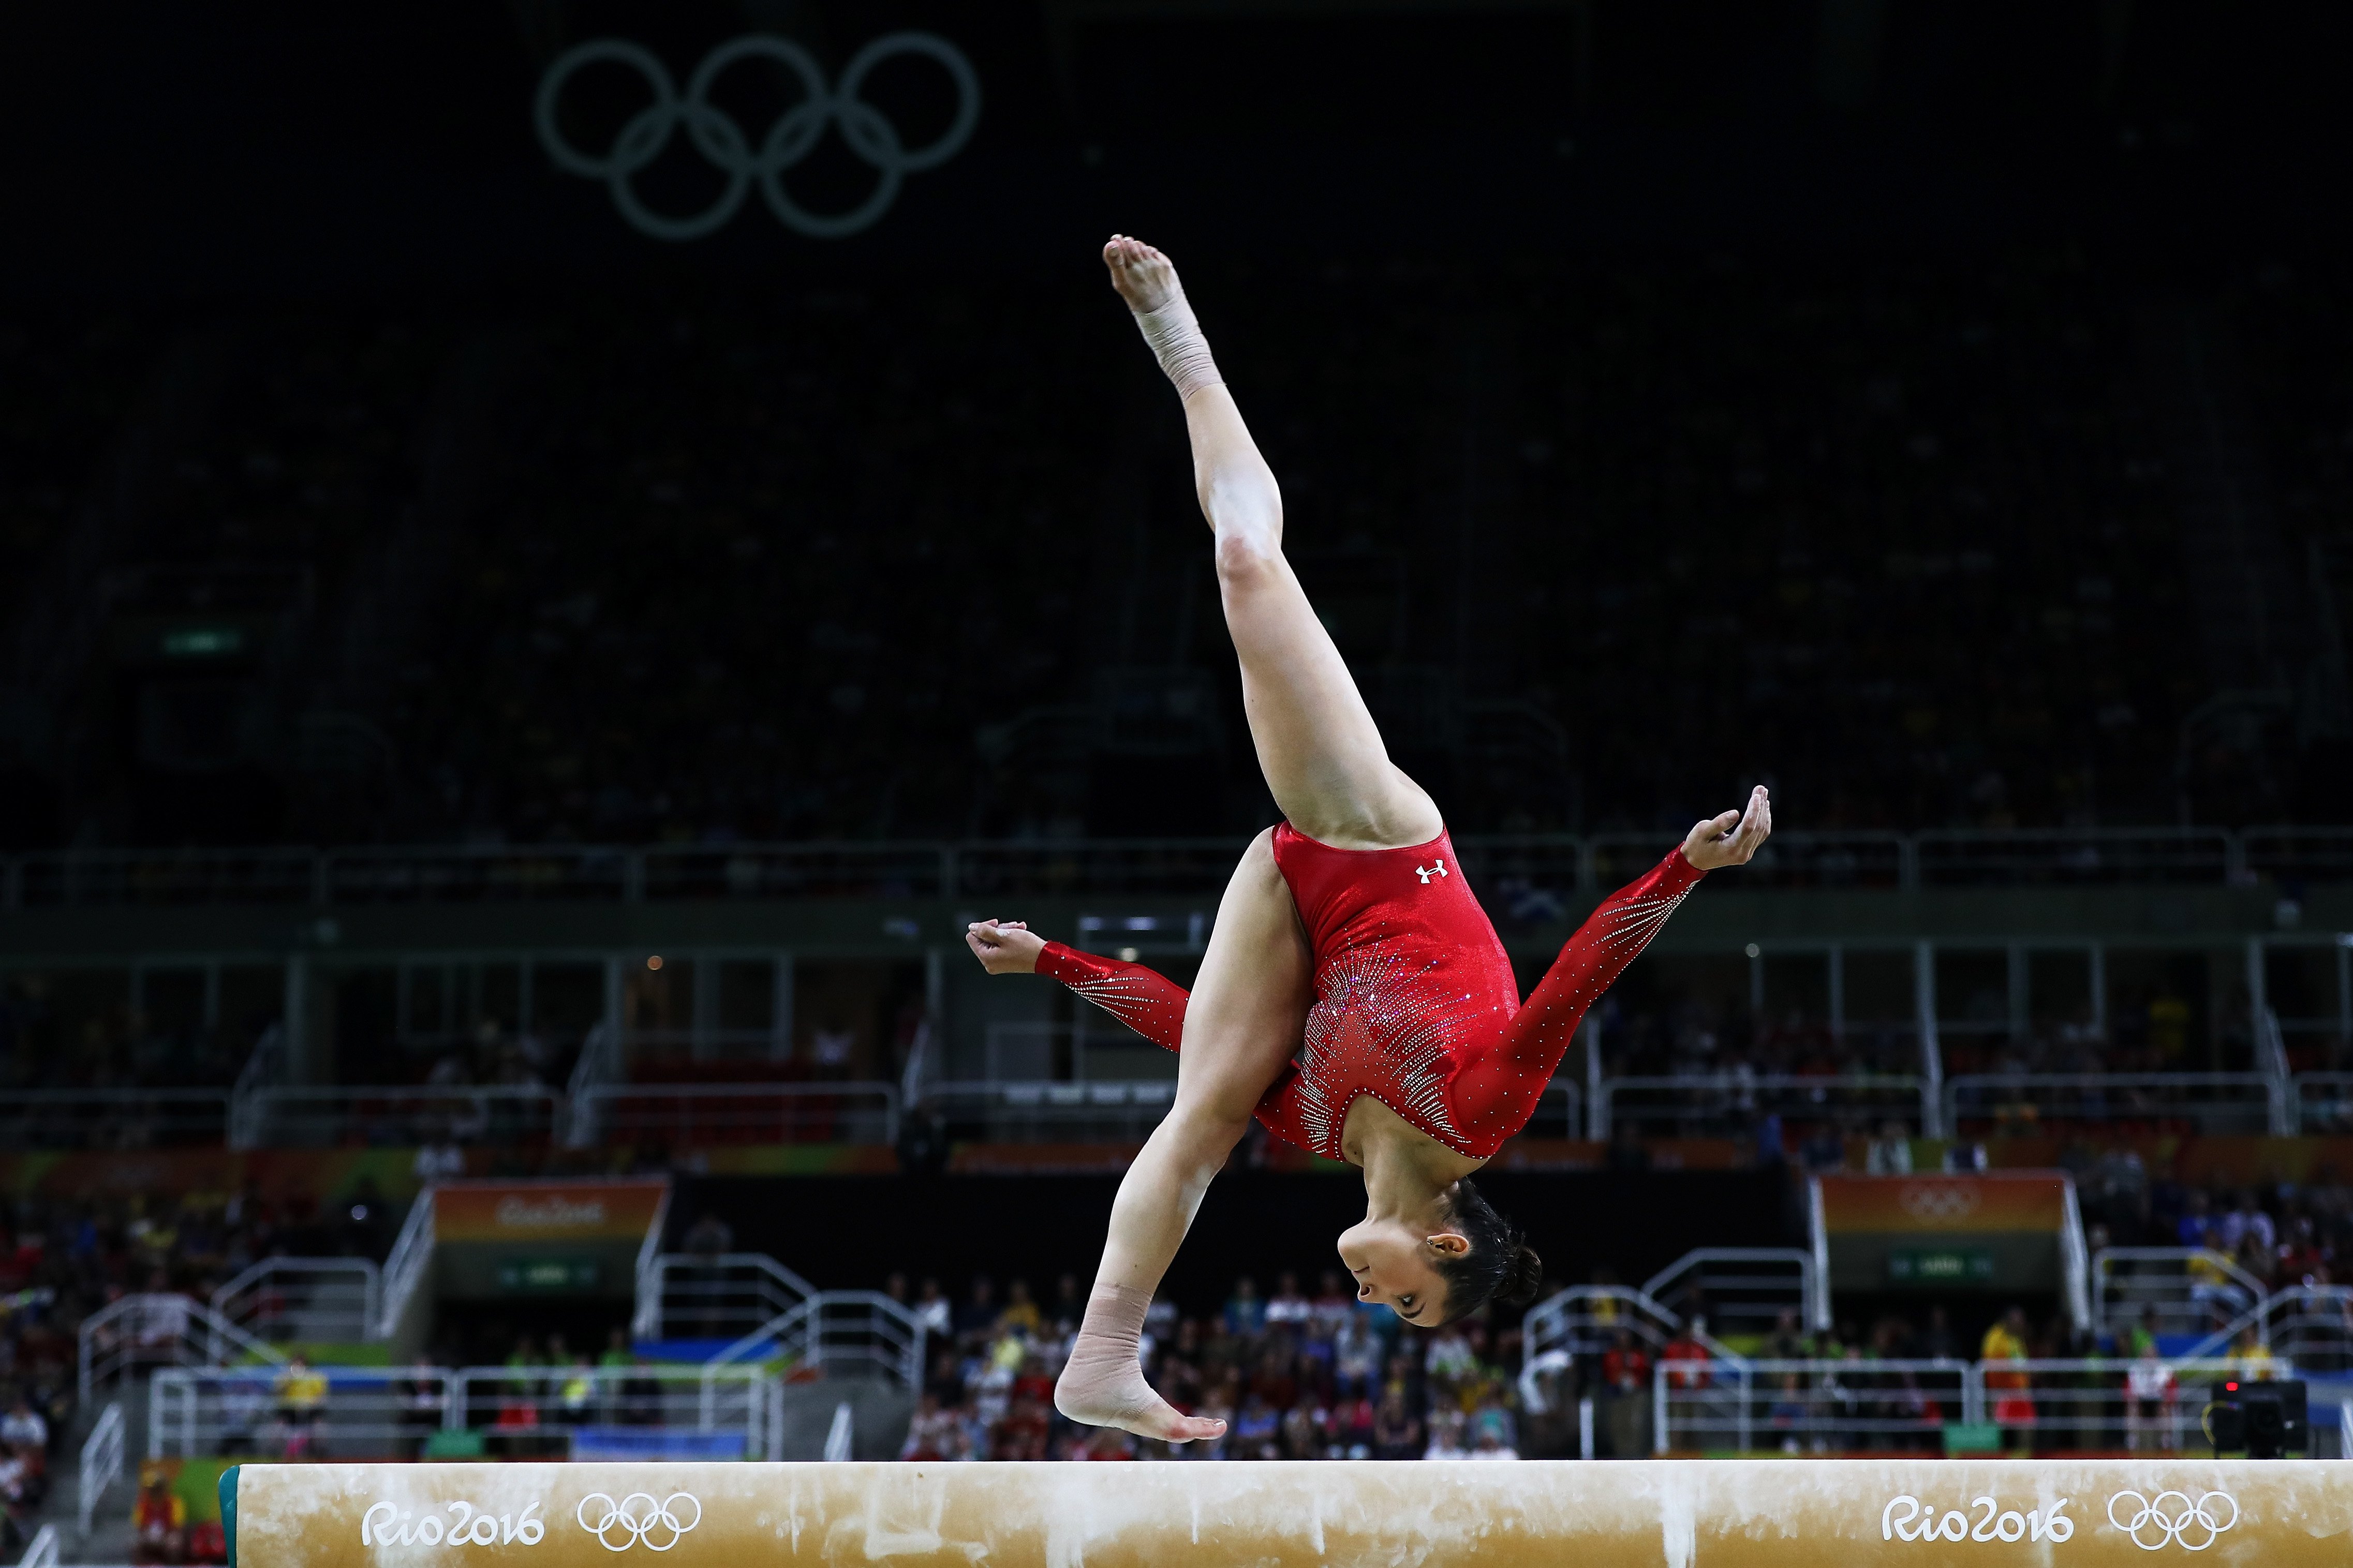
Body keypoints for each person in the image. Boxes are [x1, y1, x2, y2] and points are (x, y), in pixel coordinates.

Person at [961, 235, 1773, 1443]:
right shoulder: (1481, 1110)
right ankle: (1183, 347)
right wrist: (1685, 869)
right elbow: (1585, 970)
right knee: (1246, 564)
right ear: (1445, 1237)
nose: (1374, 1301)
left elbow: (1188, 1022)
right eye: (1408, 1299)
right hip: (1380, 841)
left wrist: (1057, 964)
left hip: (1287, 882)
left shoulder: (1313, 1128)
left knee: (1203, 1113)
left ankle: (1102, 1351)